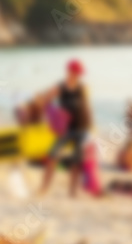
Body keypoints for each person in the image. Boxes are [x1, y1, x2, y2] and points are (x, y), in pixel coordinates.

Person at [39, 59, 93, 198]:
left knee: (76, 162)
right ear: (69, 72)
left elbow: (86, 108)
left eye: (79, 73)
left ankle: (72, 193)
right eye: (75, 73)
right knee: (52, 156)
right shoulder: (60, 87)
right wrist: (55, 115)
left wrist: (90, 131)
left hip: (82, 129)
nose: (77, 76)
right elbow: (45, 100)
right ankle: (44, 189)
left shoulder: (83, 87)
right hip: (66, 130)